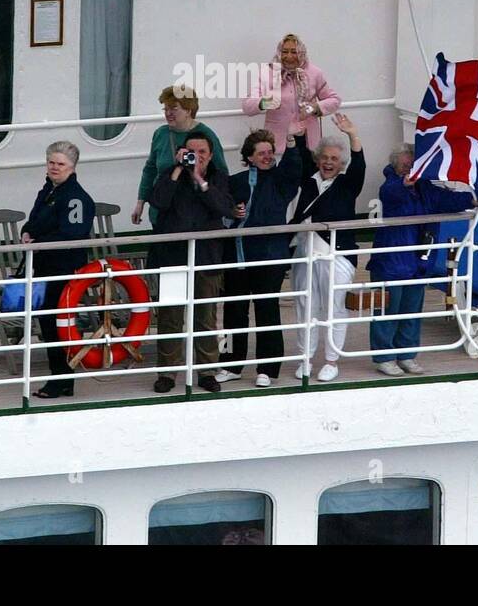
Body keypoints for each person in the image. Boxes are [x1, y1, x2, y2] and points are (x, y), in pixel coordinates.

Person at [366, 144, 476, 377]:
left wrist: (474, 197)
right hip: (391, 262)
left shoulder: (426, 188)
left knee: (412, 311)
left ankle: (407, 355)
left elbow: (448, 200)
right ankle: (384, 357)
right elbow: (390, 194)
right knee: (388, 311)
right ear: (395, 167)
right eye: (405, 166)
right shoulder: (391, 185)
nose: (410, 170)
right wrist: (403, 184)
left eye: (414, 166)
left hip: (417, 262)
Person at [147, 131, 235, 394]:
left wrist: (199, 180)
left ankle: (207, 371)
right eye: (191, 152)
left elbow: (225, 207)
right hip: (173, 257)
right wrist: (177, 170)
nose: (197, 158)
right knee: (170, 318)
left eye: (202, 153)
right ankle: (167, 372)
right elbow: (159, 201)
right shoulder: (170, 175)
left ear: (210, 155)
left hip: (206, 258)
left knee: (205, 318)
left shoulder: (218, 178)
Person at [217, 129, 304, 388]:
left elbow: (294, 167)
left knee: (267, 312)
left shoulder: (281, 180)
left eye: (269, 152)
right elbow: (222, 211)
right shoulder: (236, 182)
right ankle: (231, 365)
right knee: (234, 312)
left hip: (269, 256)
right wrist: (232, 212)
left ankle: (268, 369)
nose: (267, 157)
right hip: (238, 255)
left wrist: (291, 141)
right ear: (250, 158)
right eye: (261, 153)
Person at [289, 113, 365, 382]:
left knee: (334, 307)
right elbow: (298, 156)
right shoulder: (309, 180)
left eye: (334, 159)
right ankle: (305, 359)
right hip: (305, 252)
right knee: (305, 306)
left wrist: (352, 135)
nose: (328, 162)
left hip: (336, 254)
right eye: (324, 158)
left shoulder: (348, 183)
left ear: (340, 163)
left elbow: (359, 165)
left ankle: (332, 360)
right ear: (318, 160)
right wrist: (296, 134)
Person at [20, 142, 96, 399]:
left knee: (58, 324)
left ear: (72, 167)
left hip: (63, 270)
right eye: (51, 162)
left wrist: (39, 242)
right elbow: (33, 221)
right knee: (48, 323)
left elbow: (72, 233)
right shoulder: (48, 191)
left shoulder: (74, 197)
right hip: (44, 268)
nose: (54, 167)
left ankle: (62, 378)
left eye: (60, 163)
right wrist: (27, 232)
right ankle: (61, 377)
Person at [133, 86, 229, 227]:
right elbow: (150, 170)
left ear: (188, 110)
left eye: (174, 109)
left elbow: (221, 172)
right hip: (164, 209)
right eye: (165, 109)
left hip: (195, 213)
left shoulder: (206, 135)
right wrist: (140, 202)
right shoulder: (161, 134)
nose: (168, 113)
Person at [243, 33, 341, 154]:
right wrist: (265, 102)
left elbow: (334, 100)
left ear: (302, 53)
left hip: (308, 143)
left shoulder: (315, 73)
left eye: (294, 52)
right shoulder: (267, 73)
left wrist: (314, 107)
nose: (289, 56)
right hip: (278, 144)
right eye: (284, 51)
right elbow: (247, 106)